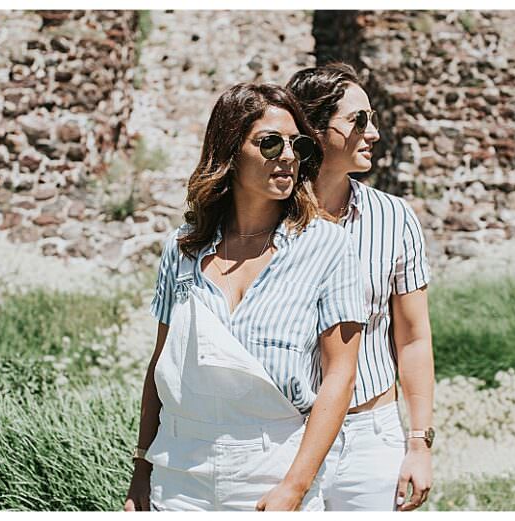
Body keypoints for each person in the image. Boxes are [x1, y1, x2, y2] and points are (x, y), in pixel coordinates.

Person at [123, 82, 367, 511]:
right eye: (270, 143)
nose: (288, 156)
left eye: (298, 145)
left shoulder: (330, 248)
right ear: (231, 152)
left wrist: (294, 486)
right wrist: (141, 468)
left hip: (272, 473)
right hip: (178, 478)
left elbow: (339, 377)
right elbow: (160, 365)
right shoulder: (182, 250)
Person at [287, 63, 434, 511]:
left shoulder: (393, 218)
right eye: (358, 121)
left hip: (372, 436)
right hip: (284, 435)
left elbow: (412, 338)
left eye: (372, 119)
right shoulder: (267, 221)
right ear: (313, 130)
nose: (374, 133)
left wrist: (418, 443)